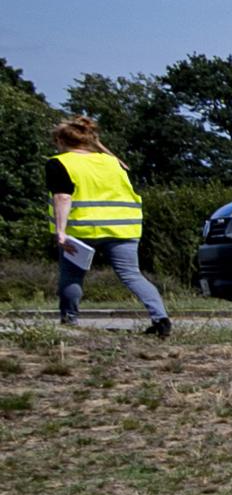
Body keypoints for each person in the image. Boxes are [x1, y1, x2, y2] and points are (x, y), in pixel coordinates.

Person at [47, 116, 171, 336]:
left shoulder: (60, 162)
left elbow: (63, 198)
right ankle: (161, 319)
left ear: (59, 140)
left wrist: (60, 232)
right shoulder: (112, 161)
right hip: (123, 227)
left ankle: (69, 322)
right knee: (132, 275)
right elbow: (123, 176)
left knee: (72, 276)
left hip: (82, 229)